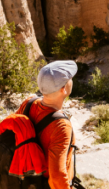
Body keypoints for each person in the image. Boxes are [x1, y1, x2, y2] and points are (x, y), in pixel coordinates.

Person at [14, 60, 78, 189]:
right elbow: (57, 178)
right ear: (63, 89)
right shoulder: (61, 126)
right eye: (69, 78)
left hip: (24, 182)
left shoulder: (28, 103)